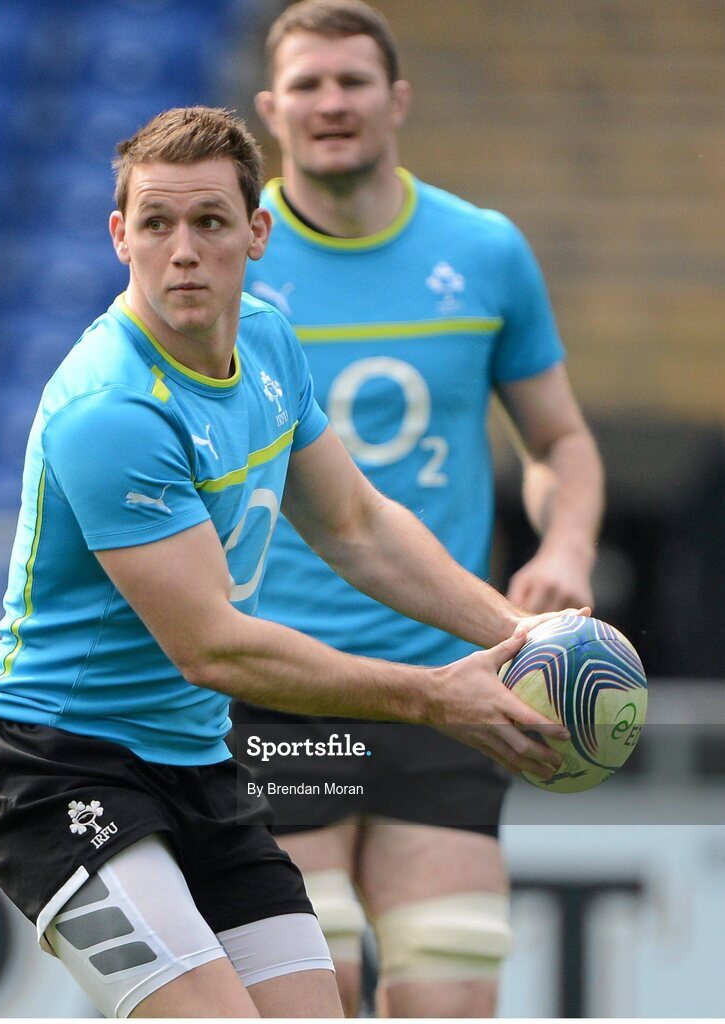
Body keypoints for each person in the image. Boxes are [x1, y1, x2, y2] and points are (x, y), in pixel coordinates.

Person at [0, 104, 579, 1020]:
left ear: (256, 233)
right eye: (156, 223)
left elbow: (357, 526)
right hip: (58, 770)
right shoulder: (113, 411)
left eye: (209, 222)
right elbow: (215, 650)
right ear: (117, 235)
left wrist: (524, 635)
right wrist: (433, 696)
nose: (181, 251)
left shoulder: (266, 340)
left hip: (198, 765)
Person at [230, 1, 605, 1018]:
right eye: (306, 84)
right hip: (288, 680)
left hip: (457, 675)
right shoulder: (226, 259)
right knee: (316, 982)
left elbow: (559, 441)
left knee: (451, 979)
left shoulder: (484, 250)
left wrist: (565, 545)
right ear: (272, 109)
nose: (331, 103)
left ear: (396, 99)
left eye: (352, 80)